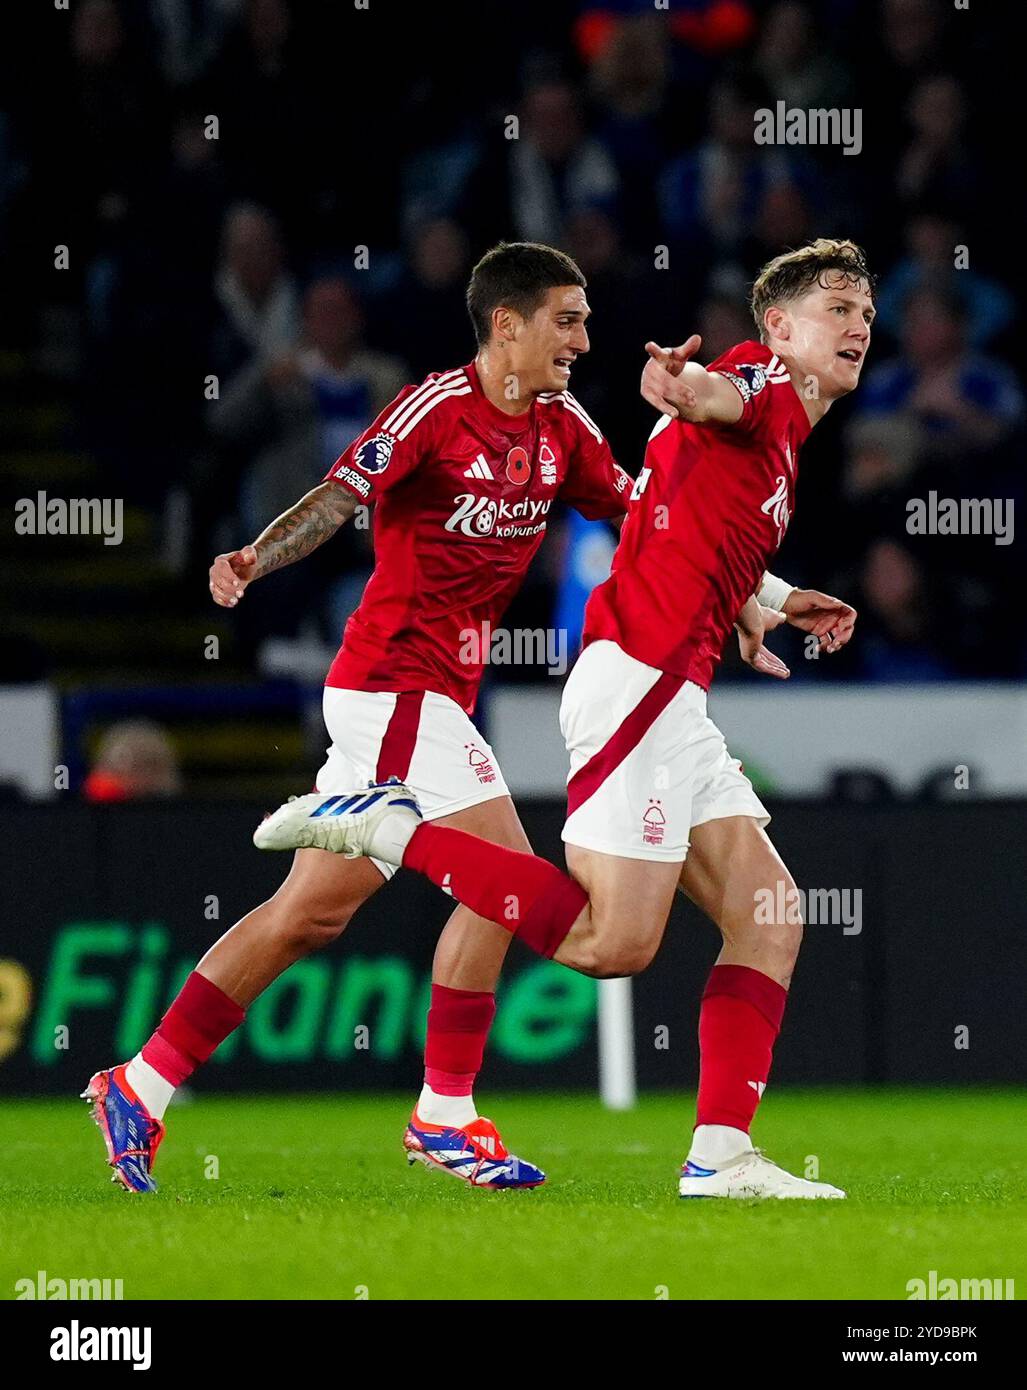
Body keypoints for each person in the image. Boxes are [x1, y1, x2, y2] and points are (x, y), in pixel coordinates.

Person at [256, 237, 869, 1201]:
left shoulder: (781, 436)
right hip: (639, 684)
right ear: (779, 328)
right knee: (609, 946)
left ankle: (719, 1156)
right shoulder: (762, 382)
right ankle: (390, 831)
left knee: (769, 912)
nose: (858, 324)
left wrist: (769, 599)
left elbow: (673, 517)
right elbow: (712, 392)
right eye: (837, 308)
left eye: (864, 310)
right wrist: (681, 384)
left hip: (672, 689)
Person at [81, 241, 634, 1194]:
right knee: (506, 883)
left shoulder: (563, 428)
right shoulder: (434, 409)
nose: (582, 341)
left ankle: (140, 1083)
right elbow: (342, 496)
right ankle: (444, 1114)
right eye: (567, 320)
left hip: (431, 700)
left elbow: (640, 511)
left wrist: (749, 589)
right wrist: (254, 557)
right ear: (506, 325)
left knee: (306, 916)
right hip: (392, 685)